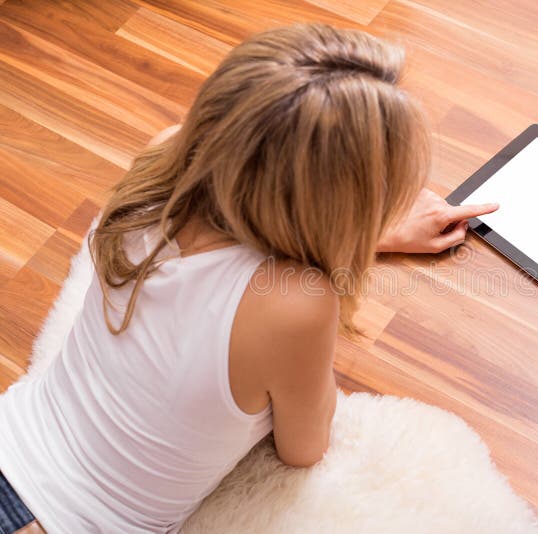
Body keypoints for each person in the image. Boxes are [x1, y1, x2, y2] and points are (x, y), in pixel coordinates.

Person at [0, 23, 498, 533]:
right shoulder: (296, 304)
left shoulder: (160, 163)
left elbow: (240, 227)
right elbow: (306, 448)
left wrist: (365, 230)